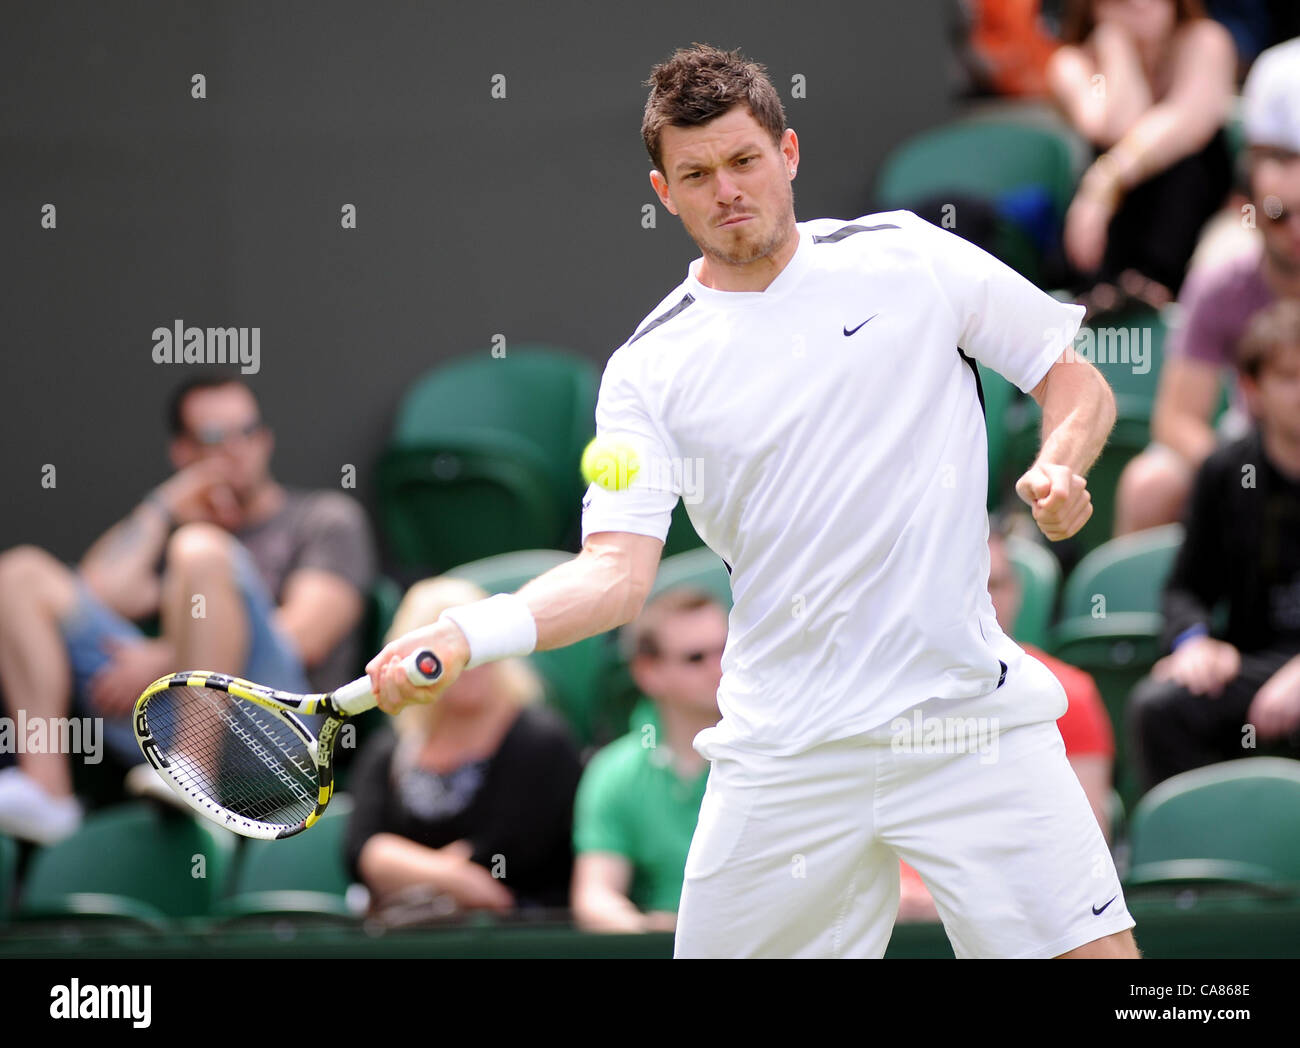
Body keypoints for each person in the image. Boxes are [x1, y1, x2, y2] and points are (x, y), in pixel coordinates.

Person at [366, 44, 1136, 959]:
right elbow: (613, 577)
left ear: (789, 153)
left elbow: (1073, 381)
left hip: (965, 722)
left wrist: (1060, 463)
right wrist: (468, 634)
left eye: (744, 160)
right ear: (665, 192)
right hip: (786, 755)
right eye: (697, 174)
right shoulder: (645, 374)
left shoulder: (910, 256)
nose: (727, 189)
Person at [0, 376, 375, 843]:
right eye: (215, 438)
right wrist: (164, 505)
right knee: (21, 576)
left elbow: (305, 639)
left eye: (248, 432)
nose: (236, 449)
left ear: (266, 439)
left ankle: (190, 770)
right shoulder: (175, 528)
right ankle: (47, 793)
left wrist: (167, 659)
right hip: (167, 713)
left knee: (200, 551)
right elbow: (101, 591)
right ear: (183, 453)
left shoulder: (323, 518)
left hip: (275, 723)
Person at [1113, 35, 1300, 534]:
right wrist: (1248, 476)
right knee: (1149, 482)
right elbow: (1177, 420)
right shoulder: (1223, 282)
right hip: (1251, 463)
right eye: (1283, 215)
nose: (1297, 230)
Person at [899, 525, 1116, 922]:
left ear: (1016, 593)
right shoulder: (887, 694)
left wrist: (969, 899)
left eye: (996, 584)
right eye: (969, 585)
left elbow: (1086, 848)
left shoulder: (1068, 693)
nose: (985, 601)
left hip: (1009, 916)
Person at [1128, 298, 1300, 792]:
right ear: (1253, 388)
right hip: (1251, 666)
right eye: (1288, 378)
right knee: (1160, 707)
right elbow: (1187, 587)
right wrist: (1195, 642)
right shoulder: (1226, 473)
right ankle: (1197, 852)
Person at [344, 577, 581, 915]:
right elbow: (361, 850)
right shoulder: (387, 751)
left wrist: (404, 869)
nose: (466, 665)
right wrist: (454, 877)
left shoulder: (542, 740)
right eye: (439, 654)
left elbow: (507, 858)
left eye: (474, 646)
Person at [1047, 0, 1236, 312]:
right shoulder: (1072, 62)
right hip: (1107, 241)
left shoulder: (1205, 41)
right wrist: (1116, 47)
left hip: (1190, 233)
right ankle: (1105, 290)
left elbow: (1184, 125)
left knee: (1180, 166)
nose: (1140, 4)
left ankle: (1150, 280)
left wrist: (1103, 182)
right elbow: (1116, 126)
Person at [571, 587, 724, 933]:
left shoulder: (777, 754)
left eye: (727, 649)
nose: (721, 667)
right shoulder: (614, 772)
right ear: (648, 672)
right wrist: (646, 932)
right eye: (696, 658)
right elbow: (595, 895)